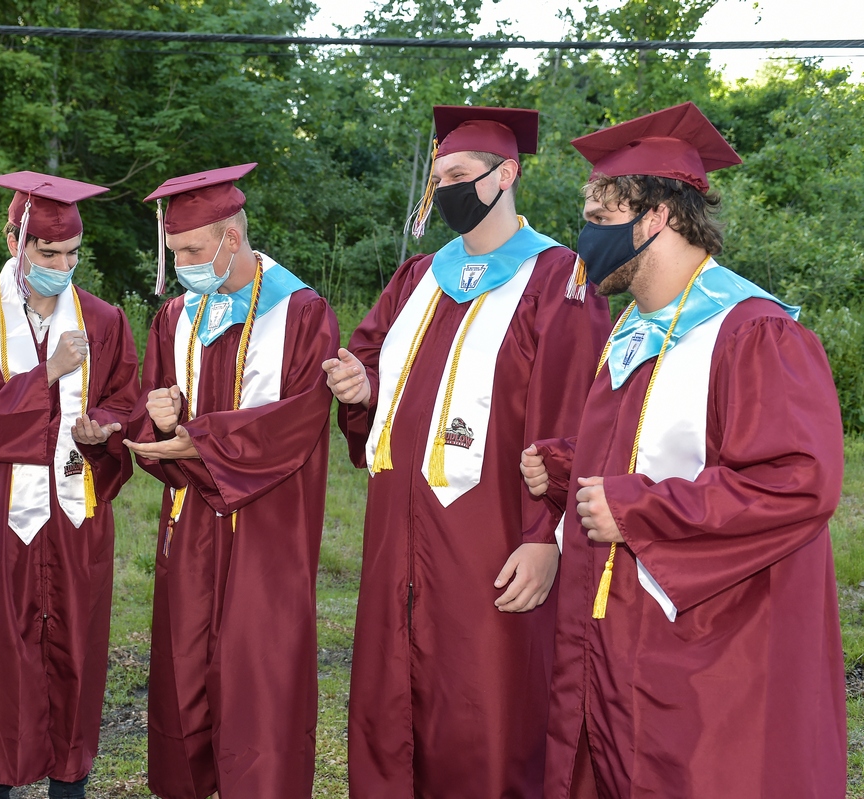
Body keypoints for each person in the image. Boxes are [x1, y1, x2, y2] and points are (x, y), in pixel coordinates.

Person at [521, 102, 847, 798]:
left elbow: (796, 482)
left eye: (601, 218)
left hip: (706, 652)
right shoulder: (635, 329)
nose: (585, 238)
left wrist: (636, 508)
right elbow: (648, 455)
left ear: (657, 217)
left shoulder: (754, 331)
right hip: (613, 637)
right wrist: (566, 468)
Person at [324, 107, 612, 798]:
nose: (445, 189)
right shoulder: (418, 277)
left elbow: (573, 421)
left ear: (505, 174)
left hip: (492, 535)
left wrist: (548, 535)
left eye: (458, 175)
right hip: (400, 533)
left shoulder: (558, 280)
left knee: (487, 702)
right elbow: (371, 370)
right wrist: (360, 388)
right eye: (438, 177)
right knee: (395, 695)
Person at [125, 163, 339, 799]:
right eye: (176, 252)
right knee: (184, 668)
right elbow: (150, 410)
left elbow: (301, 419)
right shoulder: (175, 317)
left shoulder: (301, 313)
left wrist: (205, 439)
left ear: (232, 237)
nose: (184, 265)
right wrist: (156, 416)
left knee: (260, 676)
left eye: (193, 250)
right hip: (189, 522)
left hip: (268, 527)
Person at [0, 172, 140, 799]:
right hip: (4, 518)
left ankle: (68, 778)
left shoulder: (102, 319)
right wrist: (47, 373)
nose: (63, 266)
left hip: (77, 518)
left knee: (75, 649)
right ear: (15, 241)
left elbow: (124, 400)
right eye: (50, 254)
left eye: (73, 254)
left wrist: (108, 430)